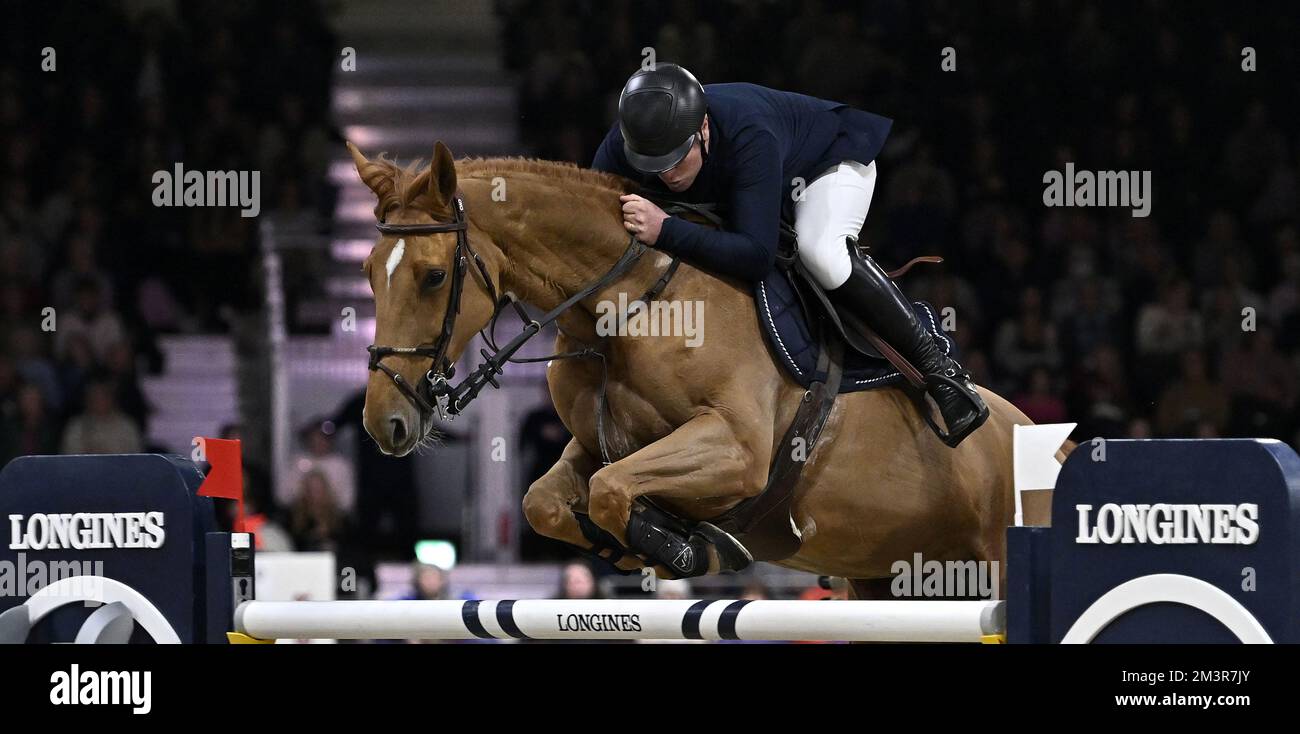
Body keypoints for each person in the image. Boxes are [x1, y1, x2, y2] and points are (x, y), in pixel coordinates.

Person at [591, 64, 988, 446]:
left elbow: (756, 255)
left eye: (678, 159)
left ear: (704, 128)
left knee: (821, 252)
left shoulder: (749, 134)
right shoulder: (636, 140)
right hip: (760, 185)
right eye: (655, 166)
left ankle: (940, 371)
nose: (668, 175)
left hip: (826, 164)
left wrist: (667, 229)